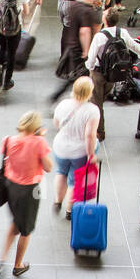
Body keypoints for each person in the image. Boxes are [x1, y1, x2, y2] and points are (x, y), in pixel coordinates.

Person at [0, 111, 52, 276]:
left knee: (15, 221)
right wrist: (40, 138)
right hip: (29, 190)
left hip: (11, 186)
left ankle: (3, 257)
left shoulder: (8, 140)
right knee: (26, 229)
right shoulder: (39, 143)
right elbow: (49, 167)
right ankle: (18, 264)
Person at [51, 77, 100, 219]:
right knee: (74, 181)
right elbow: (90, 136)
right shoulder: (92, 110)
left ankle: (57, 202)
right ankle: (70, 211)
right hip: (79, 151)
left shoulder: (63, 104)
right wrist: (91, 155)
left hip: (60, 147)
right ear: (90, 91)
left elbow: (56, 123)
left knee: (61, 173)